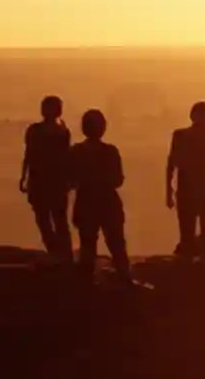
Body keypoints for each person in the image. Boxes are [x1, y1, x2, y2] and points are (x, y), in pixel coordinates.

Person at [70, 109, 131, 284]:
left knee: (88, 246)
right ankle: (124, 279)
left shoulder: (77, 151)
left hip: (86, 202)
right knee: (117, 245)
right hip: (108, 202)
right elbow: (118, 180)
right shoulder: (110, 151)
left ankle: (86, 283)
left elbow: (71, 180)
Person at [19, 95, 73, 261]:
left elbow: (65, 158)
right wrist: (24, 176)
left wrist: (24, 176)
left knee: (54, 219)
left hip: (50, 181)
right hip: (44, 181)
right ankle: (59, 252)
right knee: (49, 219)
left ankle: (60, 252)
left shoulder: (58, 132)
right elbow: (29, 154)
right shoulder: (56, 131)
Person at [166, 101, 205, 257]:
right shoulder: (183, 136)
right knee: (192, 232)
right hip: (193, 187)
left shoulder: (184, 136)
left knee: (198, 233)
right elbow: (171, 164)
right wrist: (168, 191)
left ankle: (196, 266)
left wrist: (169, 191)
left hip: (198, 187)